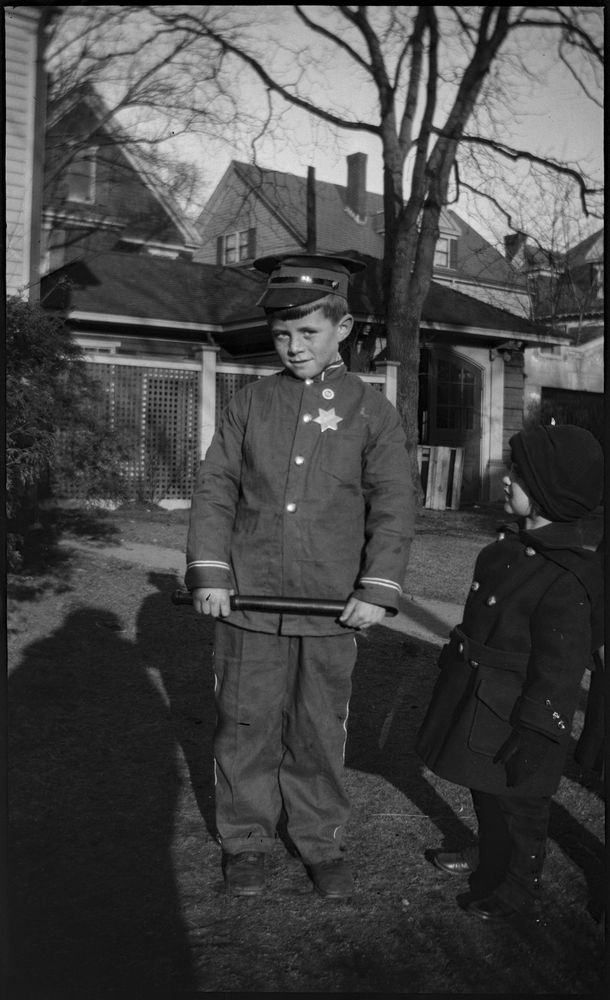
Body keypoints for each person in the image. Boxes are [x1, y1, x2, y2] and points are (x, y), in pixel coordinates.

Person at [185, 253, 415, 899]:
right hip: (248, 601)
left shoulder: (372, 412)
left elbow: (394, 504)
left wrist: (376, 589)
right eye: (282, 334)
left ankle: (319, 841)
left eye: (308, 332)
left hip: (331, 606)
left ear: (343, 327)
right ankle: (246, 839)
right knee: (246, 720)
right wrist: (210, 570)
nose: (293, 346)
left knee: (318, 726)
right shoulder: (251, 403)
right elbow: (216, 487)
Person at [415, 423, 604, 923]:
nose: (506, 478)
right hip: (481, 694)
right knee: (484, 787)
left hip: (522, 710)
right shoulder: (502, 551)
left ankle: (519, 887)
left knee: (520, 804)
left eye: (518, 473)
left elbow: (560, 669)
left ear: (547, 490)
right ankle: (490, 859)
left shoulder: (568, 577)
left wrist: (541, 731)